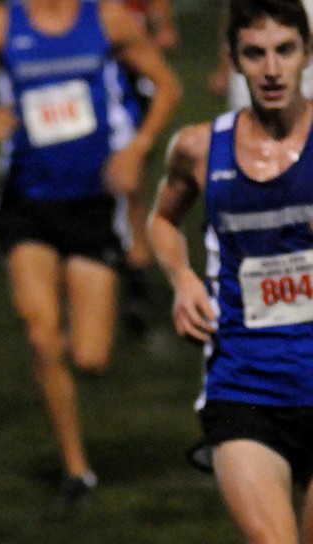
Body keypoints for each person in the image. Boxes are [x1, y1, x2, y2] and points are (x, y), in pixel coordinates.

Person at [0, 0, 181, 506]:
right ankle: (77, 471)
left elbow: (167, 85)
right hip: (26, 202)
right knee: (41, 333)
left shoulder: (109, 19)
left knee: (90, 358)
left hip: (93, 200)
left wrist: (136, 150)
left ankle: (66, 375)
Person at [148, 0, 313, 541]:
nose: (271, 68)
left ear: (306, 55)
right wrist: (183, 279)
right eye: (255, 53)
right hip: (243, 385)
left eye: (284, 51)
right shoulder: (198, 147)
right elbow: (163, 221)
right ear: (234, 61)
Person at [120, 0, 181, 336]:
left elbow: (163, 30)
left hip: (128, 94)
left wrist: (154, 34)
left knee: (130, 191)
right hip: (84, 92)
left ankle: (137, 286)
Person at [209, 0, 313, 109]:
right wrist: (223, 70)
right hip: (246, 84)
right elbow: (233, 21)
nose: (271, 71)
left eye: (284, 49)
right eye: (254, 52)